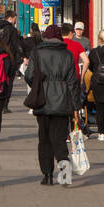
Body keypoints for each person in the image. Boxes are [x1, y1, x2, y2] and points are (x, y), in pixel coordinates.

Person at [25, 25, 85, 185]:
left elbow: (29, 75)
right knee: (59, 139)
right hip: (62, 101)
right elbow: (73, 82)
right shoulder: (66, 55)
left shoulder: (37, 52)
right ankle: (65, 173)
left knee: (44, 139)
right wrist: (76, 105)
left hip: (42, 101)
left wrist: (39, 83)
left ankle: (47, 175)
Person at [0, 11, 25, 109]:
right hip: (9, 59)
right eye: (15, 19)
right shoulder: (12, 29)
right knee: (8, 82)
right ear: (11, 18)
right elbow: (16, 45)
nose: (15, 21)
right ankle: (4, 105)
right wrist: (22, 56)